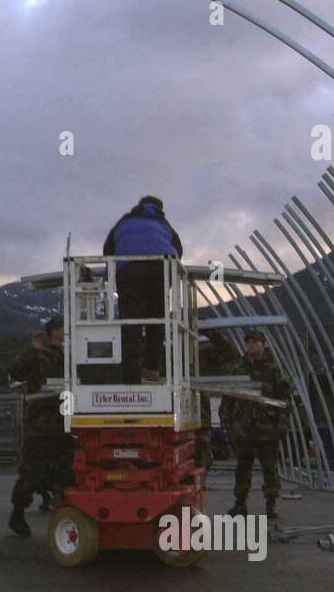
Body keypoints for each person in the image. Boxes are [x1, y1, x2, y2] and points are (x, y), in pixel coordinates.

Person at [102, 196, 183, 383]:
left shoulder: (125, 221)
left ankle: (131, 378)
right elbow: (178, 249)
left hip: (128, 272)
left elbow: (108, 248)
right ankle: (152, 371)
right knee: (157, 320)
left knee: (131, 324)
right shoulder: (162, 222)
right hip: (160, 270)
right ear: (159, 208)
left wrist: (114, 270)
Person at [7, 316, 74, 537]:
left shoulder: (73, 354)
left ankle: (65, 514)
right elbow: (15, 370)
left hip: (66, 420)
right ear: (54, 331)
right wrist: (32, 351)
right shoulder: (41, 355)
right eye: (63, 327)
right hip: (42, 422)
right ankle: (18, 512)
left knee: (68, 469)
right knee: (32, 469)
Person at [219, 328, 292, 520]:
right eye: (248, 342)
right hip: (243, 429)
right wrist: (226, 421)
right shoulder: (239, 369)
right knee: (242, 467)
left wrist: (281, 425)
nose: (250, 344)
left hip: (267, 430)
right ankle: (240, 504)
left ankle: (271, 504)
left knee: (269, 467)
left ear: (263, 344)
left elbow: (285, 400)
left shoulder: (274, 370)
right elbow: (229, 397)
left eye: (254, 341)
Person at [195, 329, 240, 471]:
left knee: (201, 463)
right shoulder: (160, 350)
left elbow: (231, 353)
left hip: (199, 421)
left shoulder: (199, 354)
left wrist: (210, 332)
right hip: (165, 421)